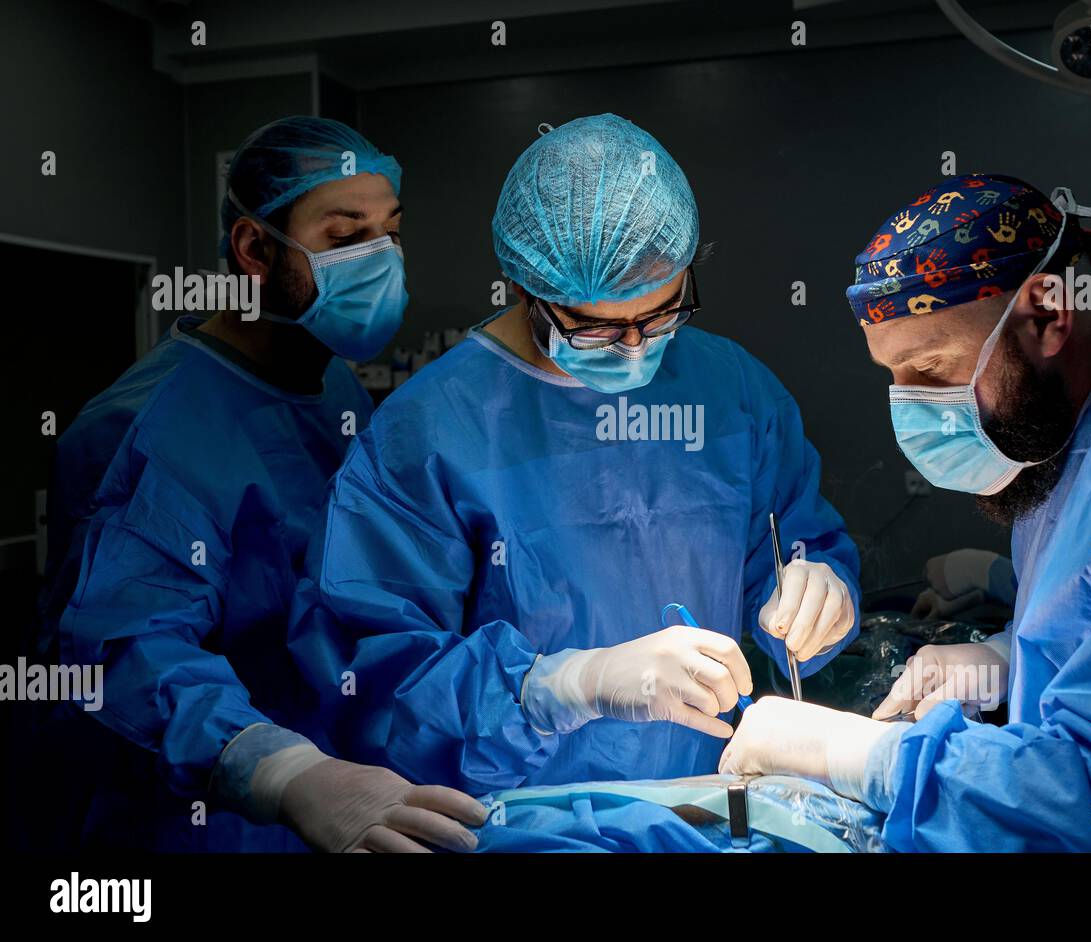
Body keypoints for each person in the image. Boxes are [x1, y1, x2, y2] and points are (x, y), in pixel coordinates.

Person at [289, 113, 861, 793]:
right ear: (530, 288)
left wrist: (814, 589)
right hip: (516, 820)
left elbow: (792, 539)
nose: (636, 347)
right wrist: (563, 686)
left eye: (662, 312)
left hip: (704, 800)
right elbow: (374, 674)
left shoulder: (733, 391)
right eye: (597, 326)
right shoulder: (429, 429)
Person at [719, 173, 1091, 851]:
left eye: (930, 370)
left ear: (1048, 317)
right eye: (892, 377)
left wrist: (866, 757)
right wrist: (1013, 654)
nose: (911, 409)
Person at [42, 116, 485, 852]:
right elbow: (122, 648)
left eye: (390, 233)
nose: (381, 261)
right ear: (254, 249)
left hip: (338, 782)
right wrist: (280, 772)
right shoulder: (145, 430)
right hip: (191, 812)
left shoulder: (335, 387)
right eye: (346, 239)